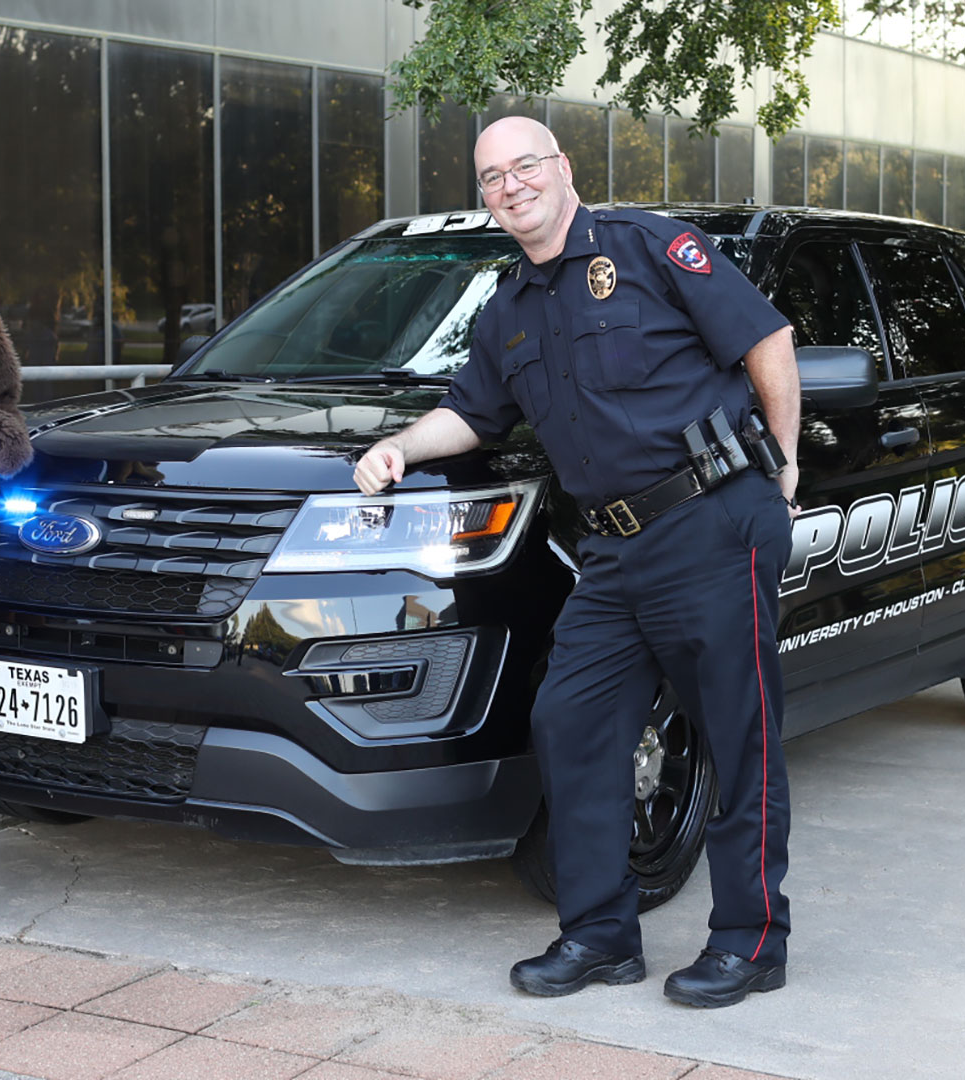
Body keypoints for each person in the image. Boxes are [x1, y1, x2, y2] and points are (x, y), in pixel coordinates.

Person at [353, 117, 801, 1008]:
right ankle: (600, 934)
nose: (511, 185)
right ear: (484, 198)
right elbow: (474, 415)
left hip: (711, 523)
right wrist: (400, 447)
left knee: (737, 737)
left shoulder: (647, 246)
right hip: (611, 550)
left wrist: (784, 470)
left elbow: (767, 342)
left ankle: (752, 941)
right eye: (492, 177)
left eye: (525, 166)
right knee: (569, 722)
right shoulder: (508, 309)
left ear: (562, 168)